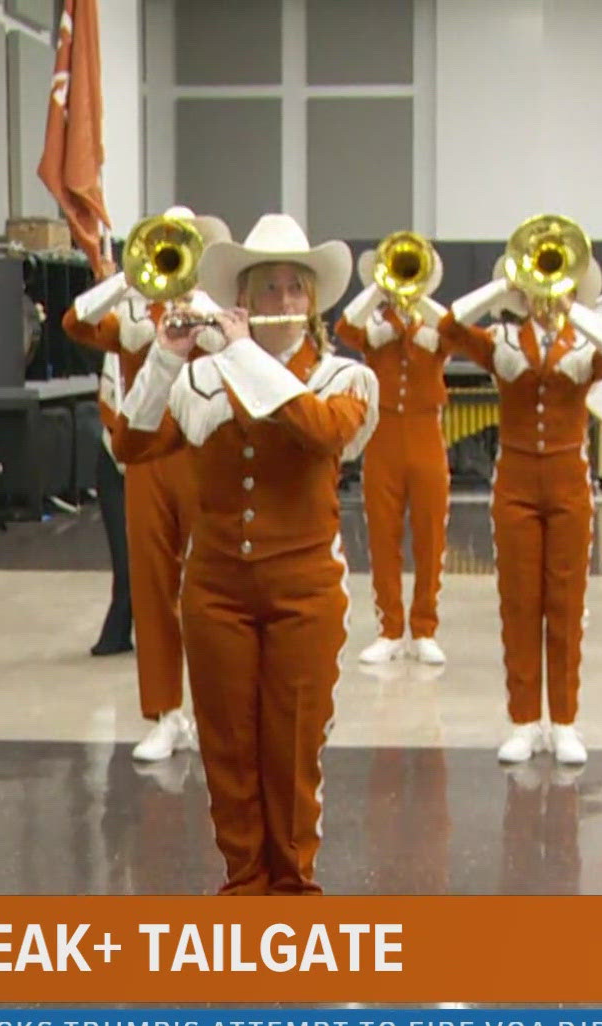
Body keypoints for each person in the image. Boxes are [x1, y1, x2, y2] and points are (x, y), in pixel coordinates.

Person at [111, 214, 376, 894]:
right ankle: (244, 885)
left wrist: (239, 353)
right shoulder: (201, 378)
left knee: (292, 750)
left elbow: (322, 434)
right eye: (268, 288)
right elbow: (132, 447)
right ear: (245, 299)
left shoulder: (344, 376)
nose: (283, 302)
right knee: (227, 747)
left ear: (313, 302)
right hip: (216, 587)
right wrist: (167, 355)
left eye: (295, 288)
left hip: (306, 589)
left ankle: (293, 889)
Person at [440, 250, 602, 766]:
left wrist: (571, 309)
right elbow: (447, 327)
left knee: (566, 603)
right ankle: (525, 720)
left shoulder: (584, 341)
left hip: (571, 482)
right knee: (520, 601)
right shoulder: (504, 341)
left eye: (559, 283)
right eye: (538, 286)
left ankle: (566, 720)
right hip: (516, 484)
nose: (547, 295)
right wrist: (502, 289)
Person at [65, 207, 230, 761]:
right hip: (145, 459)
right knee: (152, 583)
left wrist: (203, 312)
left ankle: (212, 710)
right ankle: (164, 712)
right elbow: (74, 323)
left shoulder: (216, 312)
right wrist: (126, 280)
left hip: (203, 455)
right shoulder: (138, 318)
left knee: (207, 588)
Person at [336, 245, 456, 667]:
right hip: (383, 435)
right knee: (382, 535)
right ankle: (389, 629)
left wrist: (419, 299)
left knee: (429, 535)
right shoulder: (373, 322)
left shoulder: (436, 325)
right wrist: (377, 289)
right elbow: (344, 328)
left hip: (425, 432)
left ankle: (424, 628)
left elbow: (458, 329)